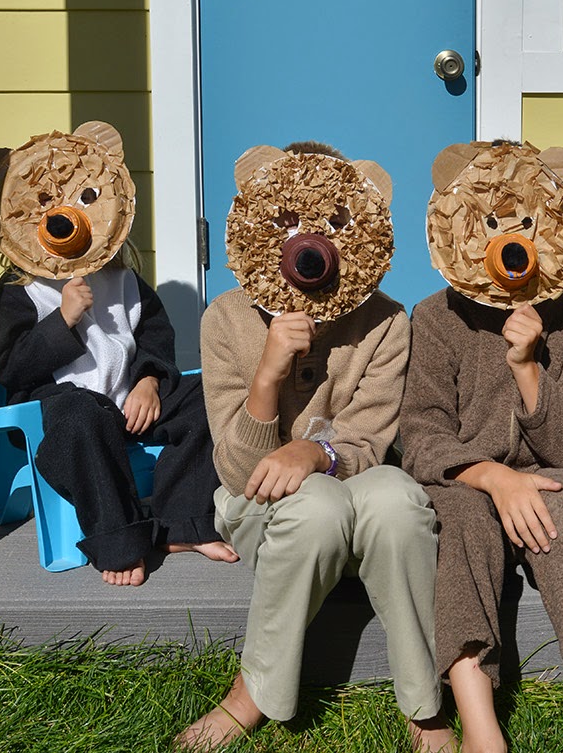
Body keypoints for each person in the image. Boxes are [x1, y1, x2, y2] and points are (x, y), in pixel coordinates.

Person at [177, 141, 452, 752]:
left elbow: (371, 439)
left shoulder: (384, 321)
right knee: (318, 507)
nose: (310, 240)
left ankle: (425, 703)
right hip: (268, 513)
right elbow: (239, 469)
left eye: (329, 223)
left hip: (358, 491)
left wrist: (318, 454)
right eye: (289, 221)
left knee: (399, 500)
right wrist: (268, 375)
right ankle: (253, 692)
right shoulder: (225, 318)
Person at [402, 140, 563, 753]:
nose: (512, 238)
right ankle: (478, 717)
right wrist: (490, 477)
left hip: (551, 474)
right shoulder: (436, 317)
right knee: (458, 524)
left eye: (526, 222)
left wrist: (530, 368)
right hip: (465, 479)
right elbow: (420, 434)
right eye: (494, 223)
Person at [0, 242, 236, 586]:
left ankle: (182, 524)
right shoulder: (19, 289)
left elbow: (155, 339)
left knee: (210, 396)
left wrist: (149, 379)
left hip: (131, 402)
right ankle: (119, 541)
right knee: (81, 417)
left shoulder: (124, 281)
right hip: (65, 410)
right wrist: (63, 320)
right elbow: (10, 368)